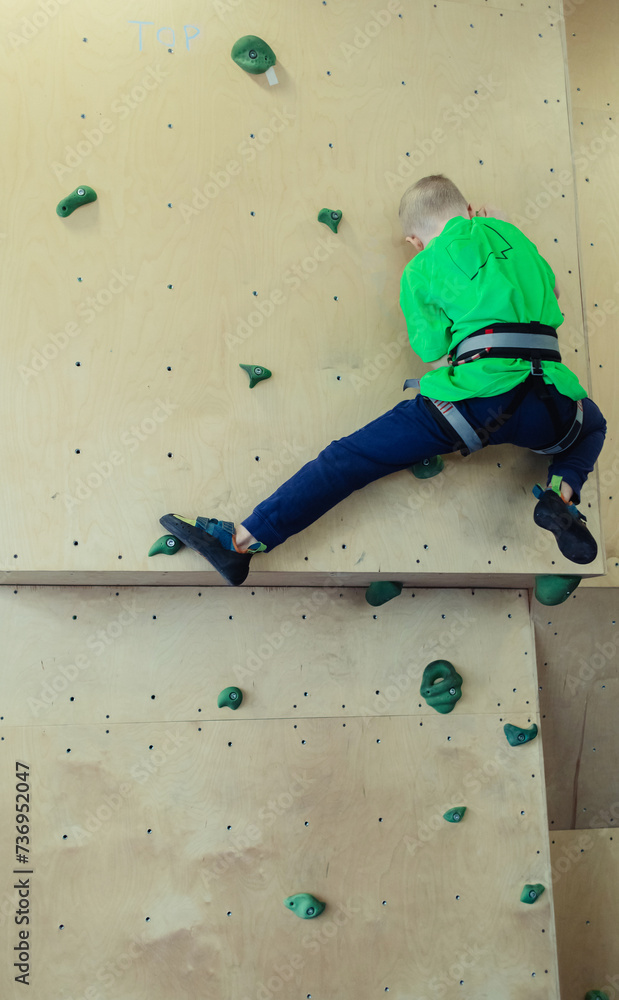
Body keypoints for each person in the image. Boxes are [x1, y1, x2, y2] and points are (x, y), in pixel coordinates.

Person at [160, 174, 607, 585]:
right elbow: (556, 297)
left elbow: (430, 349)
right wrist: (505, 234)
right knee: (592, 427)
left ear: (414, 239)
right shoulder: (515, 235)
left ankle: (241, 542)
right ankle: (560, 495)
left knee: (347, 460)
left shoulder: (422, 267)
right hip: (552, 400)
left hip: (472, 406)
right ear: (467, 209)